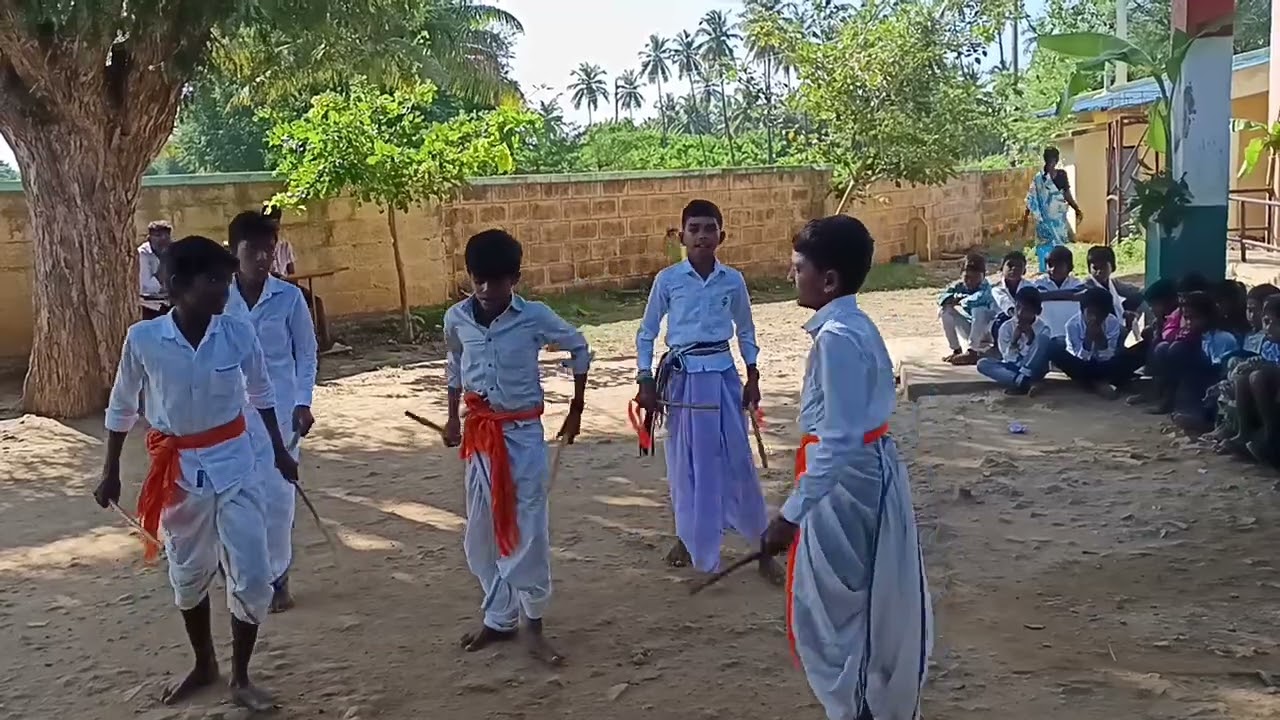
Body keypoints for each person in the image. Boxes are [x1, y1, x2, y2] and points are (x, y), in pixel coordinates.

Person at [93, 236, 298, 712]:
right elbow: (122, 407)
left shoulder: (237, 334)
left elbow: (262, 393)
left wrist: (279, 451)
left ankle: (241, 676)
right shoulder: (143, 340)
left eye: (225, 279)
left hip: (237, 465)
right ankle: (205, 664)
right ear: (178, 285)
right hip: (179, 473)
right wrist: (110, 472)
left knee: (253, 575)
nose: (224, 289)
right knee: (187, 574)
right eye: (212, 280)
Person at [761, 214, 931, 720]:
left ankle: (860, 707)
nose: (792, 276)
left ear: (829, 279)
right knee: (851, 602)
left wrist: (789, 516)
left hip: (847, 484)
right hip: (860, 473)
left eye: (799, 269)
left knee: (840, 609)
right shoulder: (855, 325)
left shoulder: (837, 337)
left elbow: (836, 442)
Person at [441, 228, 590, 666]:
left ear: (516, 279)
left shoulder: (535, 317)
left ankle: (534, 624)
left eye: (498, 281)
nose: (487, 290)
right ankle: (499, 618)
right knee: (482, 531)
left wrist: (576, 409)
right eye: (479, 280)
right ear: (469, 277)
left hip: (522, 437)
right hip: (479, 437)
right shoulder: (456, 319)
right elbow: (454, 364)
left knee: (527, 529)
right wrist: (452, 417)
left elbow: (579, 346)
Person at [633, 199, 777, 581]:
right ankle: (690, 538)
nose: (701, 236)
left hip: (723, 376)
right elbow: (647, 332)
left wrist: (753, 376)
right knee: (687, 463)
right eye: (694, 229)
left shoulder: (733, 280)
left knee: (736, 459)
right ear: (681, 236)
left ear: (721, 236)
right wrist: (644, 378)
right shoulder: (668, 280)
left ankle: (761, 545)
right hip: (682, 381)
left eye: (709, 229)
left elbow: (746, 330)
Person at [224, 211, 319, 613]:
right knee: (235, 499)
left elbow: (307, 353)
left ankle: (279, 578)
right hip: (229, 416)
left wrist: (303, 402)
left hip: (280, 415)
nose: (263, 258)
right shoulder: (218, 299)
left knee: (278, 499)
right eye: (253, 250)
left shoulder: (289, 298)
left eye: (269, 249)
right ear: (234, 251)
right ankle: (244, 576)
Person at [1150, 291, 1238, 429]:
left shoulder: (1223, 338)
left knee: (1179, 350)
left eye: (1195, 318)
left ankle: (1203, 417)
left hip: (1215, 382)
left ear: (1208, 316)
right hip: (1192, 382)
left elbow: (1221, 369)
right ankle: (1174, 403)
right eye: (1186, 318)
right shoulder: (1191, 336)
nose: (1189, 323)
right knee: (1163, 348)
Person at [264, 205, 333, 350]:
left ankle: (324, 342)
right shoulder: (260, 247)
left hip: (286, 285)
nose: (274, 228)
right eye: (269, 224)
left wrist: (292, 289)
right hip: (268, 289)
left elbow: (292, 273)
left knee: (316, 302)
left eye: (276, 223)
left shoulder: (285, 245)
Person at [1050, 286, 1139, 398]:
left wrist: (1101, 341)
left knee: (1133, 351)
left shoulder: (1112, 322)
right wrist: (1088, 339)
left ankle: (1095, 381)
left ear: (1106, 314)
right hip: (1083, 365)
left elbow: (1109, 356)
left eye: (1101, 314)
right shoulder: (1072, 325)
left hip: (1106, 365)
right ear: (1082, 310)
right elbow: (1079, 358)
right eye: (1091, 313)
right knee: (1053, 347)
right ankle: (1100, 382)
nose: (1095, 318)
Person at [977, 286, 1051, 396]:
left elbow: (1040, 358)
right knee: (983, 364)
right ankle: (1024, 382)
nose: (1020, 313)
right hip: (1013, 368)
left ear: (1038, 311)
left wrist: (1030, 340)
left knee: (1042, 339)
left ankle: (1020, 381)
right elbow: (1008, 359)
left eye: (1026, 310)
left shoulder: (1043, 329)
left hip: (1034, 370)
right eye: (1018, 307)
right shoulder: (1006, 327)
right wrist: (1013, 342)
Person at [1022, 146, 1083, 272]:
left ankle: (1045, 270)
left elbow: (1030, 201)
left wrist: (1025, 219)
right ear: (1056, 159)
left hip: (1044, 221)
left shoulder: (1038, 178)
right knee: (1058, 245)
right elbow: (1067, 195)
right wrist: (1077, 209)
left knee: (1045, 245)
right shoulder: (1058, 175)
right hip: (1057, 220)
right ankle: (1059, 269)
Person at [1235, 295, 1280, 463]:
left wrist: (1266, 367)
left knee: (1257, 377)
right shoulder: (1270, 345)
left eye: (1269, 322)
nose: (1265, 328)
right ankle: (1244, 434)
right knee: (1243, 378)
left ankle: (1272, 436)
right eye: (1264, 322)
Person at [937, 253, 995, 365]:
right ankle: (956, 350)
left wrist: (960, 299)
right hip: (969, 329)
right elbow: (941, 298)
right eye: (967, 277)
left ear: (983, 276)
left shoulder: (987, 289)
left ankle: (972, 352)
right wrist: (952, 298)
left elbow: (977, 300)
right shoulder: (959, 286)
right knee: (945, 310)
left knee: (979, 310)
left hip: (988, 332)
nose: (970, 281)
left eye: (975, 278)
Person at [1032, 245, 1085, 338]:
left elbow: (1081, 295)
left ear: (1069, 267)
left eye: (1059, 266)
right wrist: (1070, 295)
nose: (1053, 269)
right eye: (1050, 265)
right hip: (1046, 334)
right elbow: (1036, 296)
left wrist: (1048, 296)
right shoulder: (1040, 282)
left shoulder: (1076, 283)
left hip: (1070, 333)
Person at [1081, 245, 1142, 319]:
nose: (1099, 271)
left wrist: (1125, 313)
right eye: (1095, 268)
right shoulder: (1088, 286)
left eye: (1103, 267)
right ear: (1089, 269)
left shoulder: (1113, 282)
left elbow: (1134, 291)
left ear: (1112, 267)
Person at [989, 251, 1028, 342]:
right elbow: (1007, 306)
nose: (1014, 268)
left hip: (1026, 320)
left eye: (1019, 266)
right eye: (1010, 265)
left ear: (1024, 271)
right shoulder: (997, 289)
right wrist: (1019, 320)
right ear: (1001, 268)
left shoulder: (1030, 287)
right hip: (1003, 322)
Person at [139, 220, 174, 319]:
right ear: (149, 237)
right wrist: (164, 263)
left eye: (166, 236)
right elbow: (146, 288)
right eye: (158, 236)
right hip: (151, 306)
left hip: (172, 303)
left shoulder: (175, 249)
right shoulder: (143, 254)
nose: (163, 239)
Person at [1244, 283, 1280, 353]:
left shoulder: (1269, 341)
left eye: (1258, 311)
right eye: (1249, 310)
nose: (1252, 316)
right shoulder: (1247, 334)